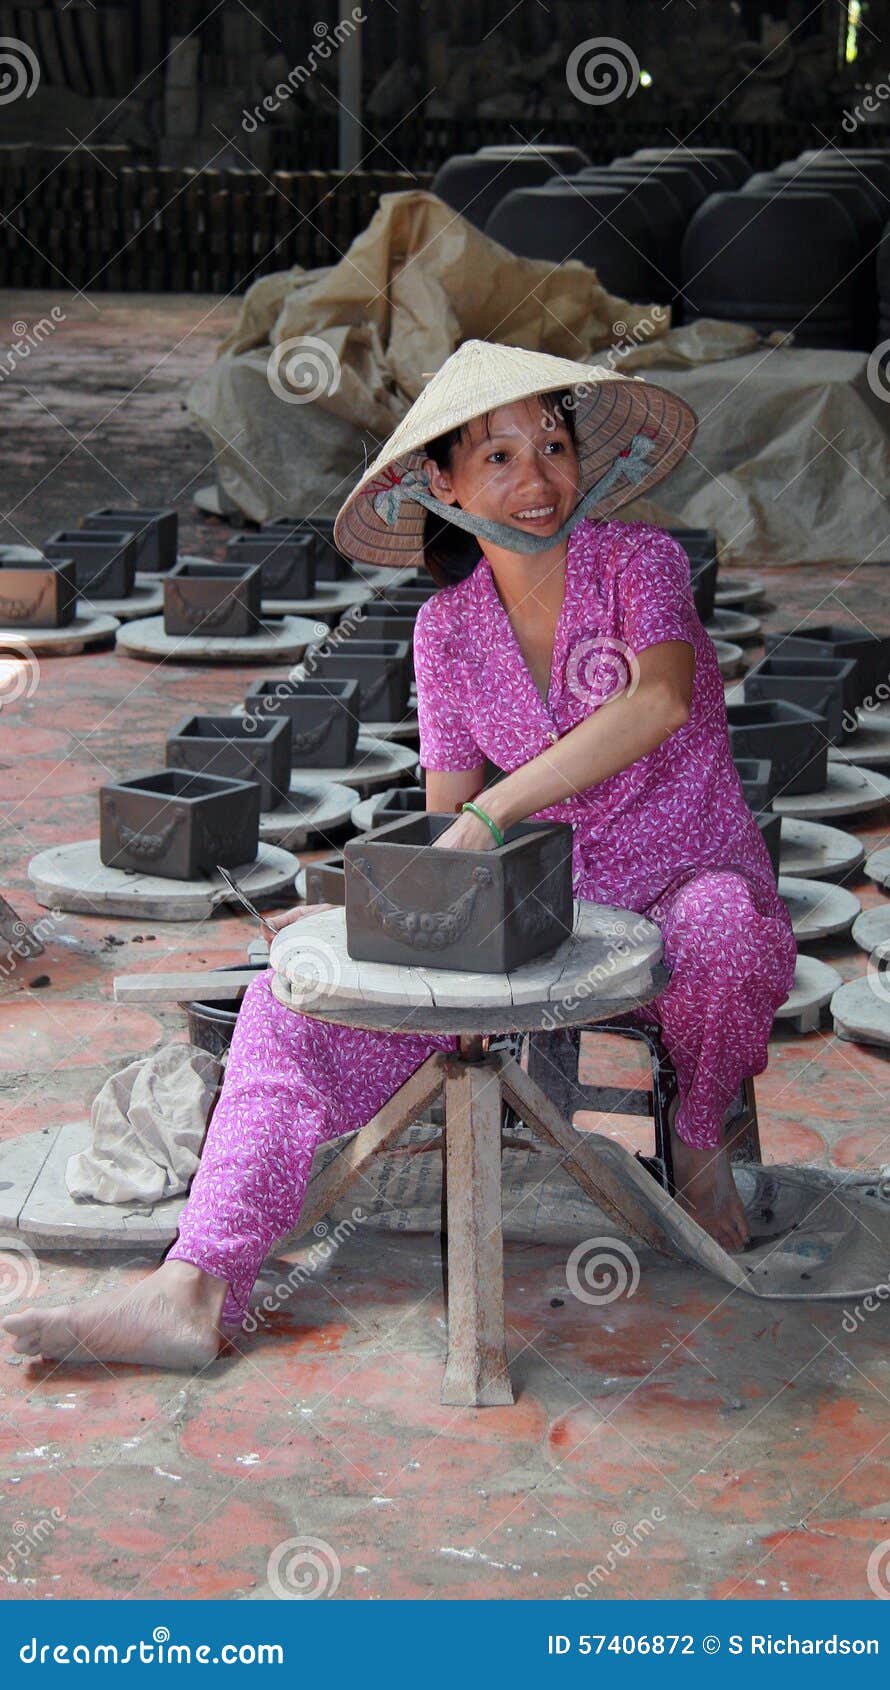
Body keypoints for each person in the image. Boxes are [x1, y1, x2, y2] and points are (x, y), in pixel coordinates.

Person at [3, 340, 797, 1370]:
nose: (536, 479)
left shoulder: (637, 565)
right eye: (498, 456)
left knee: (723, 930)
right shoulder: (445, 630)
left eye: (551, 445)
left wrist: (495, 816)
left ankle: (693, 1141)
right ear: (443, 482)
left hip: (681, 886)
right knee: (286, 1002)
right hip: (540, 916)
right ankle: (192, 1286)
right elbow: (448, 818)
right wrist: (368, 911)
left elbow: (655, 700)